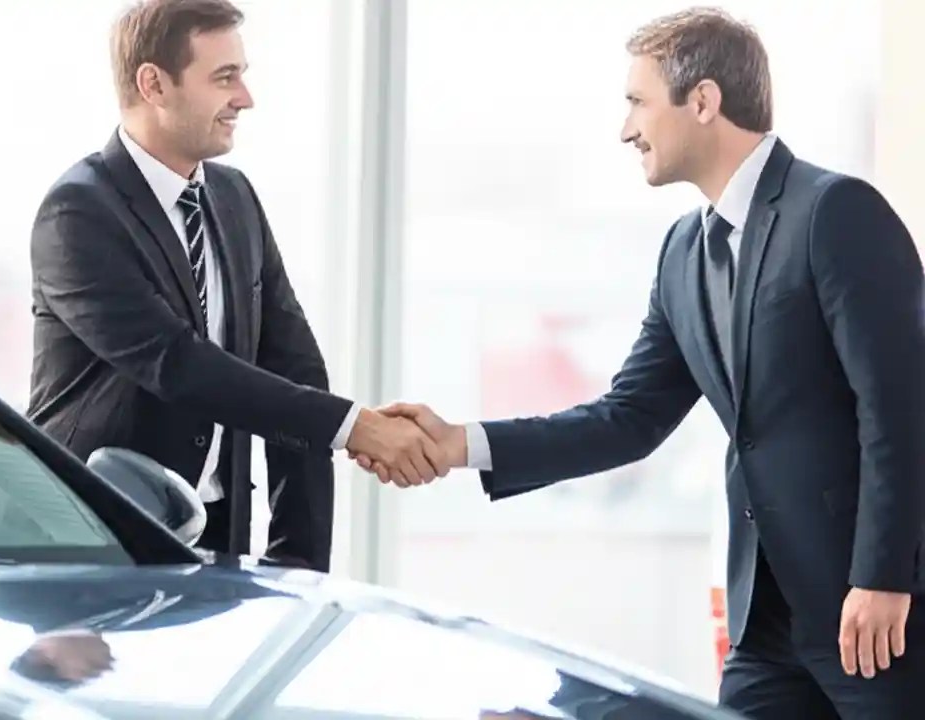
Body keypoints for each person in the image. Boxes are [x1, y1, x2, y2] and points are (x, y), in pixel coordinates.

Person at [358, 7, 925, 718]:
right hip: (764, 624)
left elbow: (899, 409)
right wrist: (459, 444)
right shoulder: (684, 252)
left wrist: (882, 578)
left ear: (704, 101)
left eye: (637, 102)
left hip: (872, 614)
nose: (627, 129)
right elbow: (628, 419)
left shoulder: (836, 211)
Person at [26, 0, 445, 573]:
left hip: (215, 540)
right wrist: (357, 428)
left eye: (241, 75)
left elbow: (293, 367)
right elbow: (177, 364)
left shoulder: (233, 197)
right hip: (87, 539)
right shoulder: (78, 212)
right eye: (225, 77)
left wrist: (297, 563)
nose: (245, 98)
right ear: (154, 84)